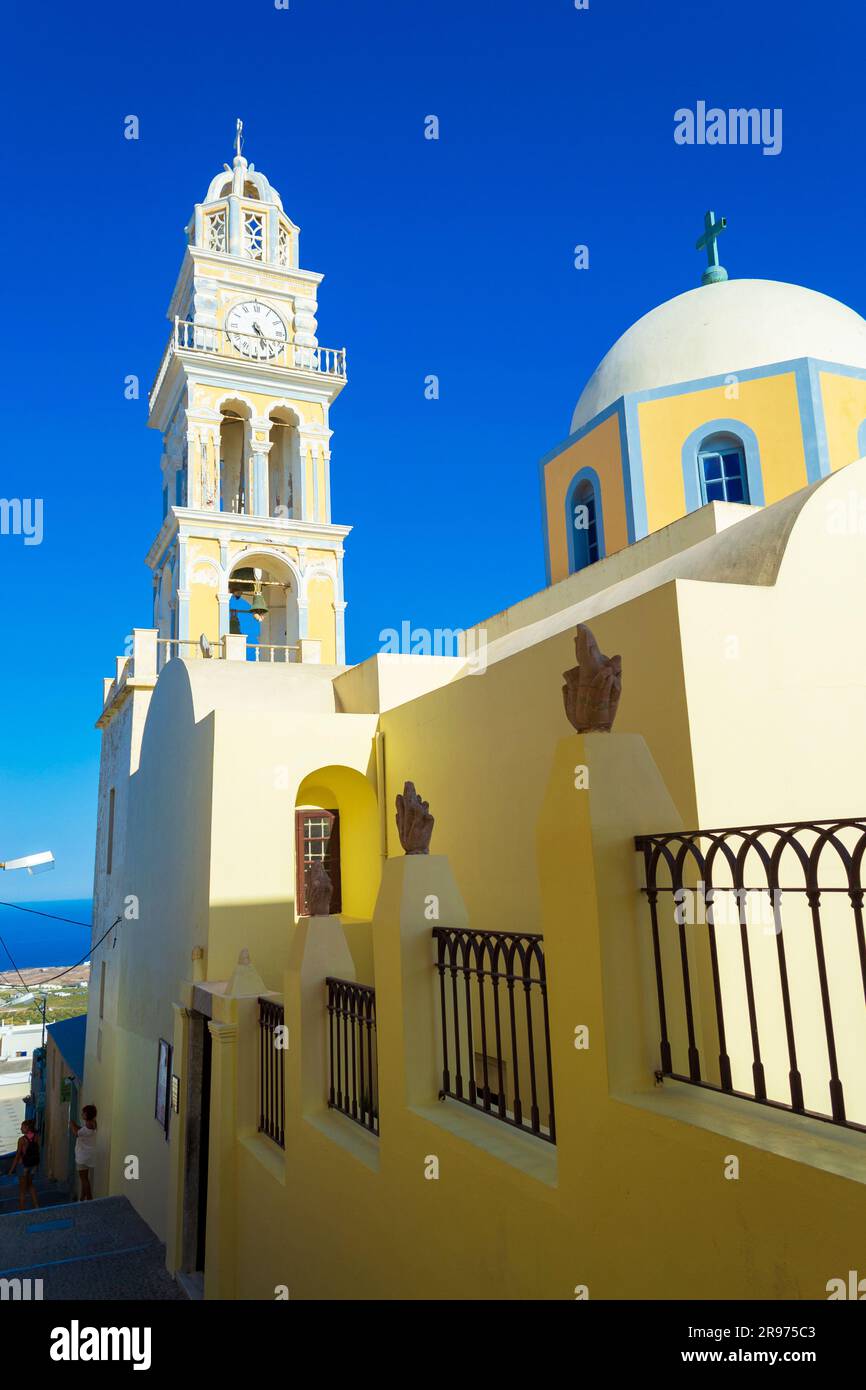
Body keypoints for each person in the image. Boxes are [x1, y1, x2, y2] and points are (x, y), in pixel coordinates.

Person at [8, 1119, 40, 1210]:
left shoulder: (22, 1140)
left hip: (23, 1166)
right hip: (33, 1165)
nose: (20, 1128)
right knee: (30, 1185)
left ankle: (22, 1208)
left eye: (22, 1127)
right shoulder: (36, 1137)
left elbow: (18, 1155)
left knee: (22, 1189)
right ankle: (36, 1205)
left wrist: (11, 1170)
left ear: (27, 1128)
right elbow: (37, 1151)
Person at [70, 1104, 98, 1201]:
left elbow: (76, 1133)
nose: (82, 1114)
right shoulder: (92, 1124)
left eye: (83, 1113)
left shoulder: (87, 1128)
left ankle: (89, 1199)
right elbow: (81, 1130)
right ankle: (82, 1198)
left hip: (82, 1157)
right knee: (84, 1179)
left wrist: (72, 1124)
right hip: (90, 1155)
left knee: (84, 1179)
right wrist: (75, 1125)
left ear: (87, 1114)